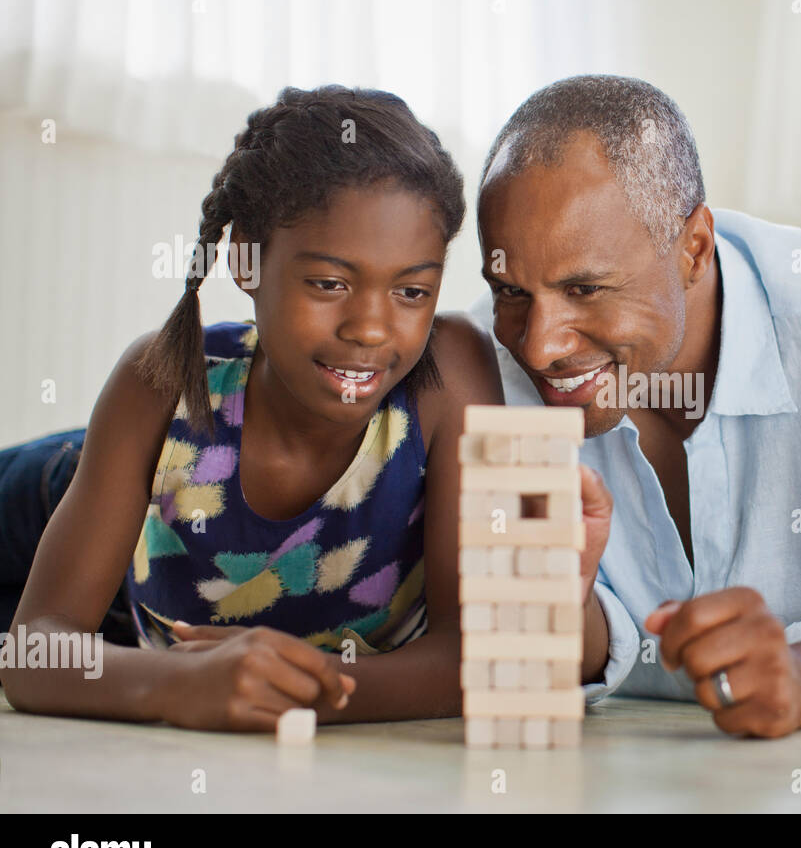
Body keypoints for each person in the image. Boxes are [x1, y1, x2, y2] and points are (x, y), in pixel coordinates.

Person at [2, 86, 611, 730]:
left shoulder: (446, 372)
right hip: (79, 499)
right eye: (329, 283)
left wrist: (302, 687)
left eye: (412, 290)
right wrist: (177, 683)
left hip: (128, 624)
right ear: (246, 259)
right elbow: (35, 647)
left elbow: (475, 653)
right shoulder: (158, 382)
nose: (372, 329)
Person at [471, 75, 801, 736]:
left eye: (586, 288)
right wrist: (552, 610)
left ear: (693, 248)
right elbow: (547, 634)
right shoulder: (477, 364)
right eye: (510, 291)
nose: (539, 346)